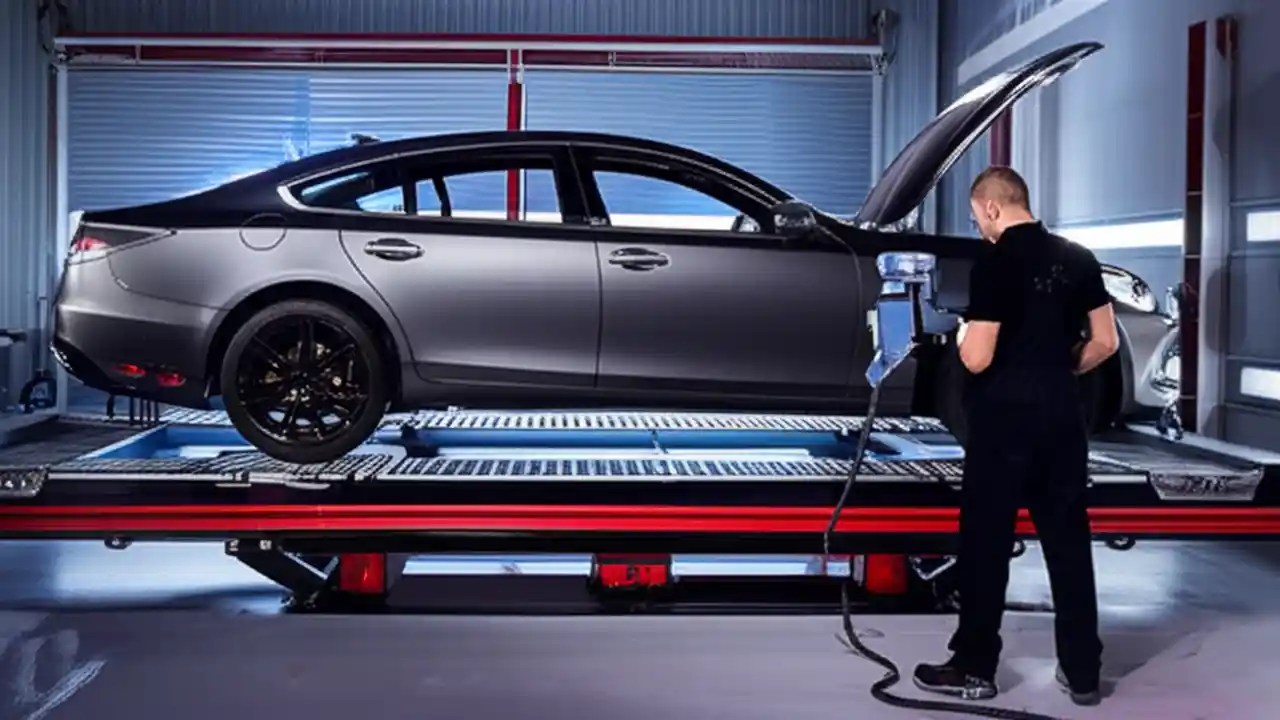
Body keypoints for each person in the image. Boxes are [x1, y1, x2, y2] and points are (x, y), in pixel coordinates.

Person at [912, 166, 1116, 707]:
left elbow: (978, 358)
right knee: (1069, 546)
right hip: (1062, 419)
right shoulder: (1079, 258)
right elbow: (1106, 341)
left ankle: (975, 668)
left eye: (978, 216)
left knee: (985, 547)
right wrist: (1061, 369)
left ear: (993, 208)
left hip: (1004, 422)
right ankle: (1083, 673)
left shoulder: (996, 263)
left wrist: (959, 337)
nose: (980, 226)